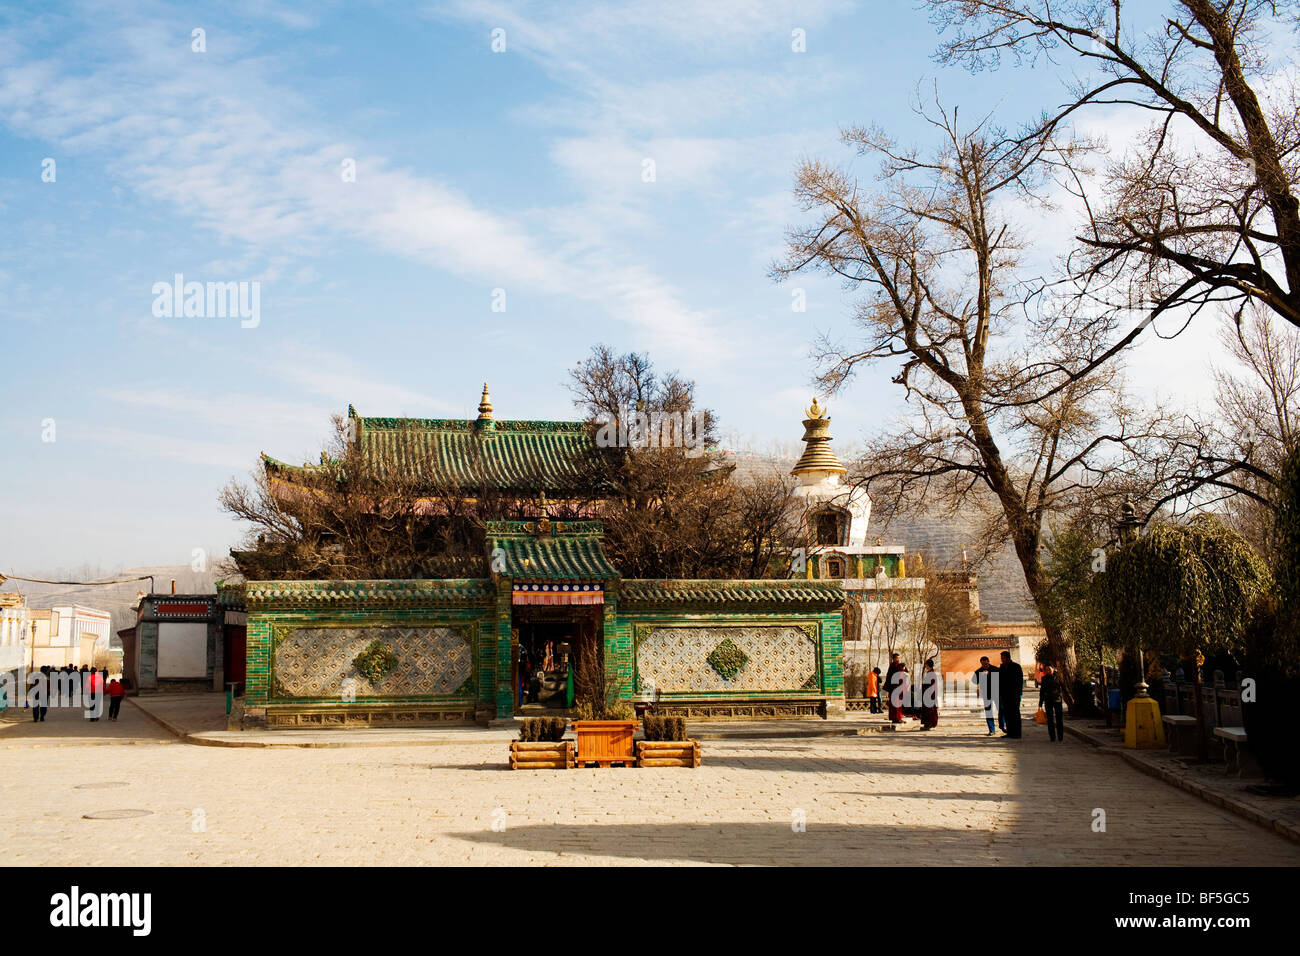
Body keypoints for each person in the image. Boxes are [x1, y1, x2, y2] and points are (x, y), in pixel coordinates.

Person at [999, 651, 1024, 739]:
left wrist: (1018, 694)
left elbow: (1019, 682)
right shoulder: (1002, 667)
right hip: (1004, 695)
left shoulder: (1016, 667)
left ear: (1008, 658)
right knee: (1007, 714)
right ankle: (1010, 732)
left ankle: (1017, 733)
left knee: (1015, 714)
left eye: (1003, 658)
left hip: (1014, 695)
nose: (1002, 660)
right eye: (1001, 658)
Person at [971, 656, 998, 735]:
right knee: (988, 712)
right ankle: (992, 730)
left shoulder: (995, 669)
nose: (984, 665)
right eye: (983, 664)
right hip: (986, 694)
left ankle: (1002, 726)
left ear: (988, 662)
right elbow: (974, 681)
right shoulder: (978, 671)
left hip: (996, 693)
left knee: (1001, 710)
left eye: (985, 663)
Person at [1039, 664, 1065, 743]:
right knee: (1050, 719)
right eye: (1047, 669)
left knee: (1059, 719)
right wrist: (1040, 703)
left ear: (1053, 669)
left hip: (1057, 700)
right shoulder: (1044, 678)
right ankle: (1052, 737)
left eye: (1049, 669)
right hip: (1048, 700)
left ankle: (1060, 736)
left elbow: (1063, 688)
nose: (1048, 671)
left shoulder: (1058, 677)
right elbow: (1042, 691)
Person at [919, 659, 940, 730]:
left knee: (929, 710)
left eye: (926, 665)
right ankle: (928, 724)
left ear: (928, 665)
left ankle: (929, 724)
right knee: (929, 710)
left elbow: (930, 685)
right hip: (929, 694)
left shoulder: (931, 674)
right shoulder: (931, 673)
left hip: (929, 694)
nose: (925, 666)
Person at [885, 653, 906, 723]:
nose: (898, 660)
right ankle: (896, 718)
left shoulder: (899, 666)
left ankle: (898, 717)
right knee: (895, 704)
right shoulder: (892, 667)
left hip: (899, 688)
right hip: (894, 688)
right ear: (893, 659)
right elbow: (891, 677)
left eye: (899, 658)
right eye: (897, 658)